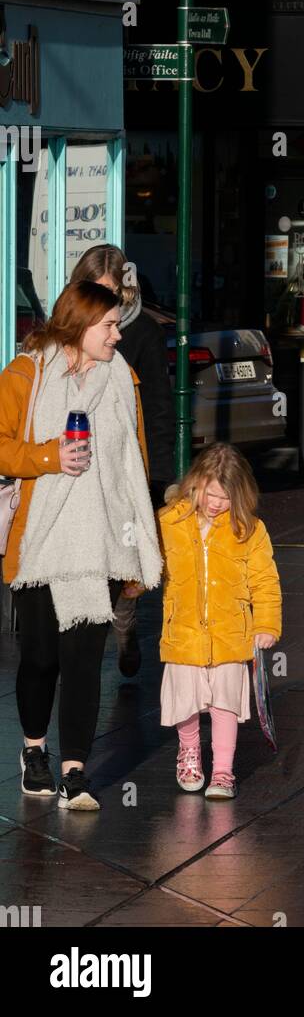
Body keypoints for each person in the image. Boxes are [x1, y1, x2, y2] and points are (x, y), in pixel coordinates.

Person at [0, 282, 162, 809]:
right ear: (78, 325)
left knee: (85, 660)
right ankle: (34, 750)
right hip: (41, 542)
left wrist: (139, 540)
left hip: (100, 541)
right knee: (43, 656)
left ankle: (75, 772)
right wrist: (50, 457)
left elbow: (133, 463)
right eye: (110, 325)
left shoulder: (122, 379)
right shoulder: (26, 374)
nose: (118, 334)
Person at [70, 245, 175, 678]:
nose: (102, 301)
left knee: (122, 564)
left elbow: (159, 410)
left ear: (125, 293)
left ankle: (125, 624)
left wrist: (163, 481)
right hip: (78, 464)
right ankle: (93, 636)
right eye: (95, 290)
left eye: (110, 292)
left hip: (127, 464)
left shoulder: (141, 335)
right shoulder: (66, 329)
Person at [159, 443, 282, 800]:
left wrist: (266, 624)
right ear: (196, 484)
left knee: (225, 704)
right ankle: (189, 752)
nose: (216, 504)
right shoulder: (169, 521)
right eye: (212, 494)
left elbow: (265, 579)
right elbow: (150, 566)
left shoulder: (249, 530)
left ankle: (224, 770)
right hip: (183, 630)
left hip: (231, 633)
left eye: (226, 498)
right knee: (186, 699)